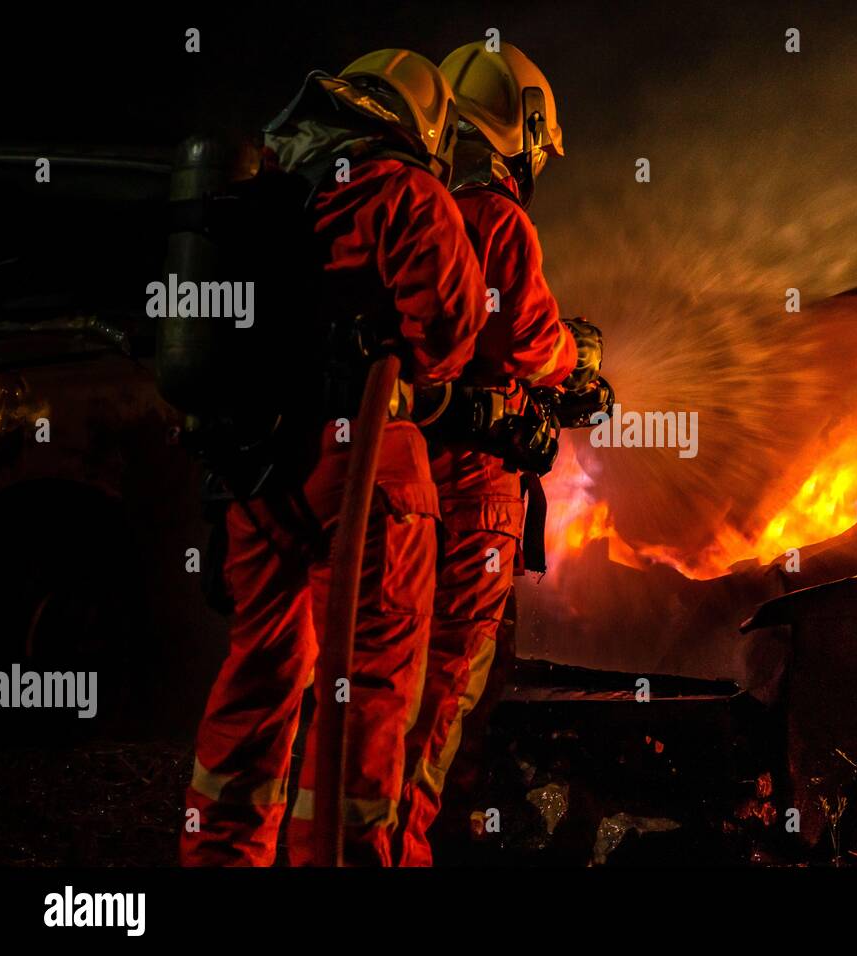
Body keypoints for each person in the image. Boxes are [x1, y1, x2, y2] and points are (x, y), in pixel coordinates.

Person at [180, 49, 488, 866]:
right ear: (423, 128)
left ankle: (218, 857)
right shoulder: (405, 193)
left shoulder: (268, 190)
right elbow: (451, 336)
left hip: (256, 473)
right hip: (363, 480)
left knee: (259, 681)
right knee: (365, 698)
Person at [398, 40, 601, 865]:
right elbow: (523, 335)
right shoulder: (497, 216)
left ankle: (408, 828)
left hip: (413, 470)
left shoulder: (426, 206)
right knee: (451, 679)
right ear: (524, 131)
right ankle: (416, 838)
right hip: (478, 482)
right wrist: (576, 363)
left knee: (400, 669)